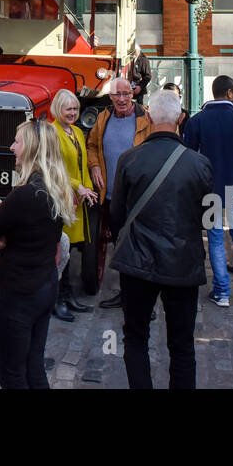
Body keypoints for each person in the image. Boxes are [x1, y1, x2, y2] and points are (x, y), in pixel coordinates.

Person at [109, 90, 212, 389]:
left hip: (138, 262)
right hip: (183, 262)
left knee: (136, 337)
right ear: (181, 119)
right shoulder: (199, 163)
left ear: (149, 117)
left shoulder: (129, 159)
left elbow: (117, 214)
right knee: (182, 345)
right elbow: (209, 216)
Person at [0, 118, 75, 389]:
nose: (12, 147)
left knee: (12, 374)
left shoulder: (23, 195)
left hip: (18, 296)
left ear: (32, 148)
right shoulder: (54, 189)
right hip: (44, 287)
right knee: (34, 368)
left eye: (17, 141)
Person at [182, 75, 233, 308]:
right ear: (230, 93)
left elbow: (189, 157)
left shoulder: (196, 121)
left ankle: (222, 292)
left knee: (215, 240)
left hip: (209, 190)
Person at [86, 76, 153, 307]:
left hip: (140, 198)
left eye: (126, 94)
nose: (122, 99)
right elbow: (92, 145)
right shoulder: (103, 118)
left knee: (141, 248)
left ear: (133, 94)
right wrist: (94, 165)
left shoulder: (146, 118)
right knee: (121, 248)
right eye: (117, 94)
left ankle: (143, 302)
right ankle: (127, 295)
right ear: (110, 96)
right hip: (112, 197)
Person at [49, 88, 95, 319]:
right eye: (69, 109)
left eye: (76, 108)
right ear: (58, 108)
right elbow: (55, 168)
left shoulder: (77, 132)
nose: (73, 113)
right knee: (60, 249)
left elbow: (82, 164)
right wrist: (78, 186)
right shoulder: (52, 132)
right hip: (61, 196)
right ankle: (58, 299)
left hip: (76, 199)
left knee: (70, 251)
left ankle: (68, 296)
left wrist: (87, 190)